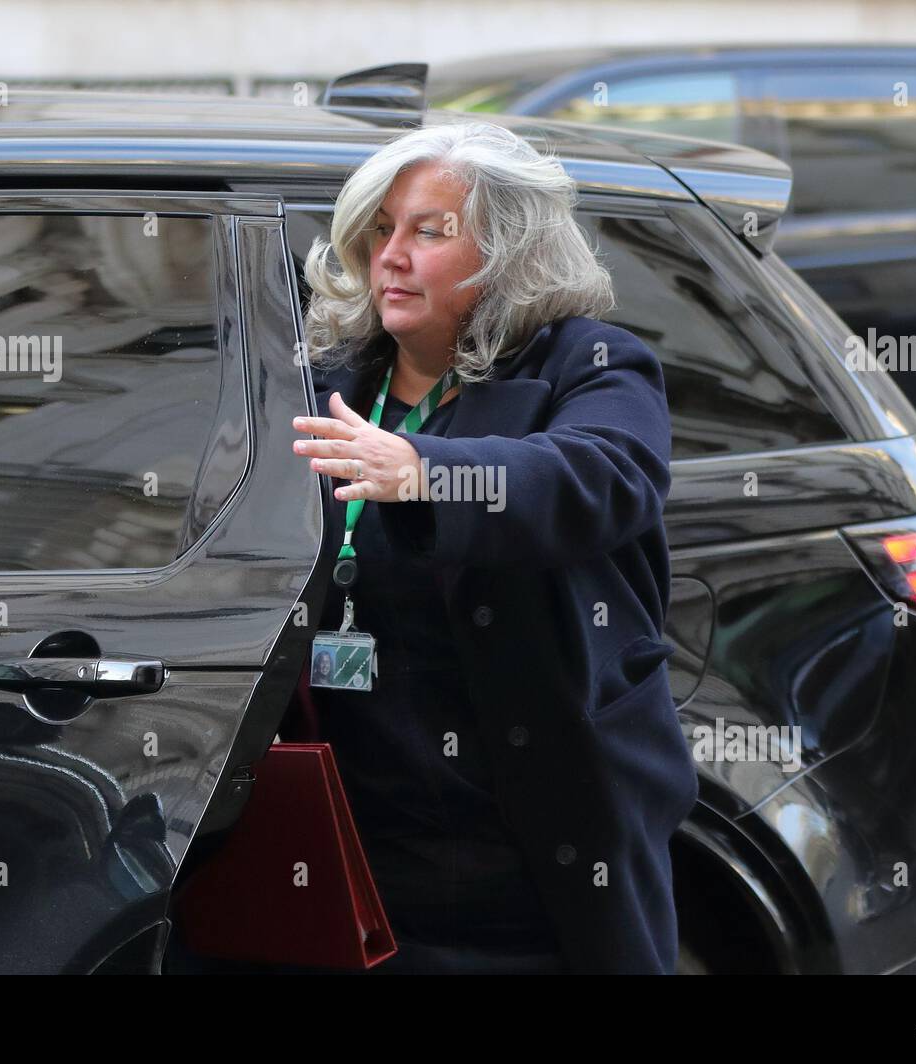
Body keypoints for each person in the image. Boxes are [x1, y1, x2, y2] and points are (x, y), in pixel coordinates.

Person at [286, 120, 699, 974]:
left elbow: (604, 475)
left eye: (429, 232)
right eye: (383, 229)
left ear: (507, 255)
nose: (392, 254)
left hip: (528, 839)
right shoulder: (338, 377)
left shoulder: (589, 363)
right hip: (364, 834)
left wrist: (428, 472)